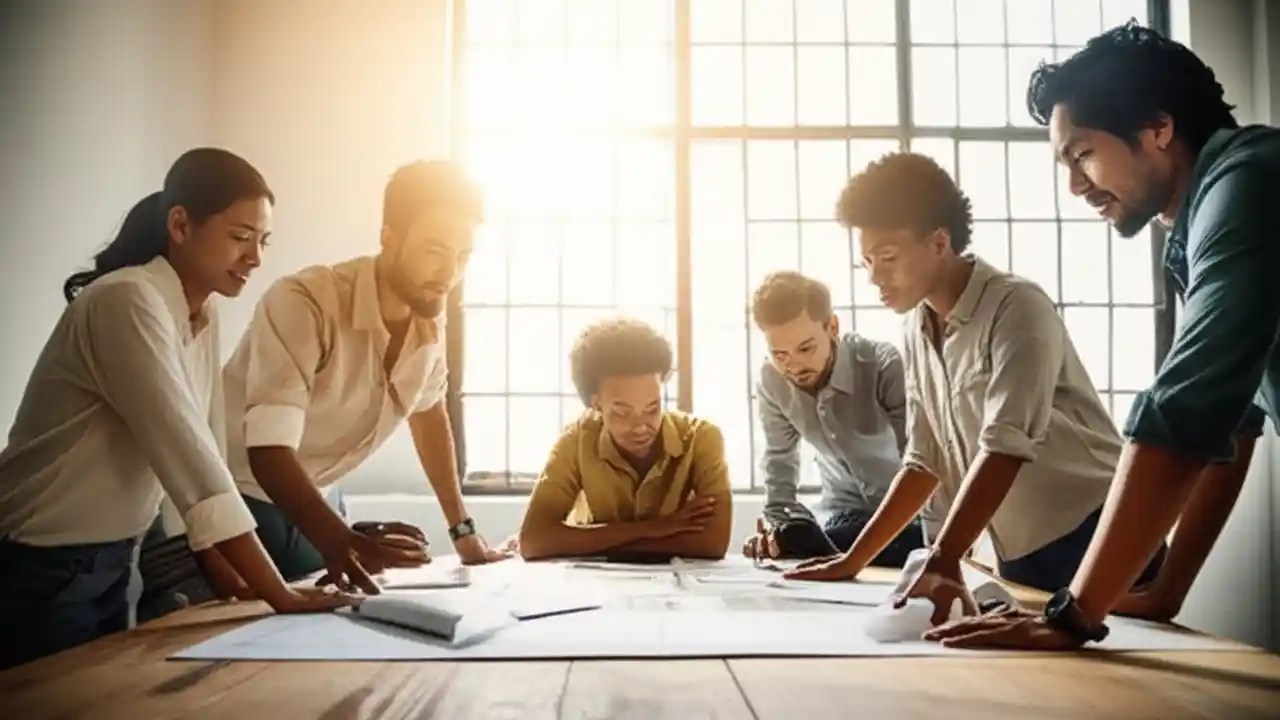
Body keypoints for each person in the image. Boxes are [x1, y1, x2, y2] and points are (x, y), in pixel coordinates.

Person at [925, 22, 1273, 650]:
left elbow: (1185, 410)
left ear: (1158, 129)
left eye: (1081, 153)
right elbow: (1234, 422)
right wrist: (1166, 591)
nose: (1075, 185)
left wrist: (1072, 614)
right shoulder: (1199, 226)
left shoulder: (1247, 185)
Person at [0, 148, 352, 669]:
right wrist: (279, 592)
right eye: (239, 237)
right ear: (181, 225)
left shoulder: (199, 312)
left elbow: (204, 445)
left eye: (262, 241)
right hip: (40, 561)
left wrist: (221, 566)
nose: (255, 257)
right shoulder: (124, 300)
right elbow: (188, 457)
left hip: (117, 556)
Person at [785, 151, 1165, 623]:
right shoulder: (915, 330)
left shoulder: (1016, 307)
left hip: (1098, 535)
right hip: (1019, 554)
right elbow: (924, 461)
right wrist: (852, 560)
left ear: (940, 242)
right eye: (866, 262)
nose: (875, 278)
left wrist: (944, 559)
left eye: (888, 258)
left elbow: (1004, 445)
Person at [222, 160, 509, 592]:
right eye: (434, 250)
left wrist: (462, 531)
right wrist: (338, 539)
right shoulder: (305, 302)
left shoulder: (429, 309)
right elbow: (267, 451)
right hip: (237, 501)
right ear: (389, 238)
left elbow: (428, 412)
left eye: (462, 257)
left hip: (314, 497)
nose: (449, 274)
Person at [740, 271, 924, 565]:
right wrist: (777, 530)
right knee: (810, 535)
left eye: (805, 348)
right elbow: (779, 461)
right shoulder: (772, 380)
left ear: (832, 327)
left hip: (904, 517)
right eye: (779, 354)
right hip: (841, 515)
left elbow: (920, 457)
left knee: (896, 544)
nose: (794, 365)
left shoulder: (882, 365)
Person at [518, 318, 733, 561]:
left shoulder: (702, 437)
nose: (641, 427)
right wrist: (654, 528)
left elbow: (712, 543)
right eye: (622, 412)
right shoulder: (576, 440)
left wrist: (589, 542)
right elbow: (534, 541)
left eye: (652, 408)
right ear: (595, 404)